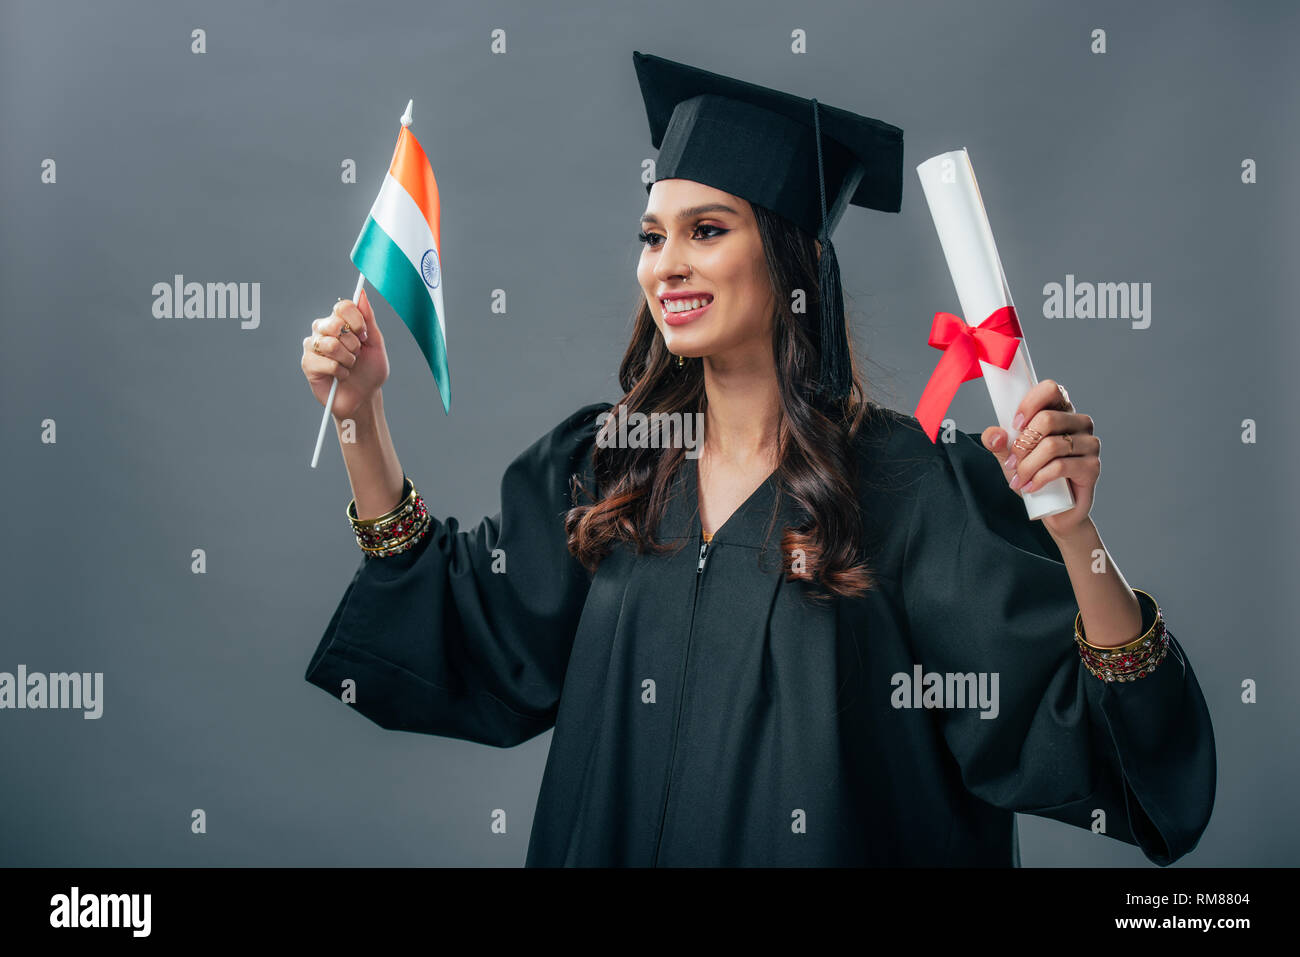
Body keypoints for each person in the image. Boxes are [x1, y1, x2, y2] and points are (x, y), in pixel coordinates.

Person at [298, 51, 1215, 866]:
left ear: (788, 260)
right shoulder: (612, 463)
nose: (665, 266)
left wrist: (1074, 530)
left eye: (707, 230)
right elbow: (464, 620)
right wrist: (360, 418)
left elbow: (1091, 734)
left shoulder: (905, 484)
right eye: (653, 236)